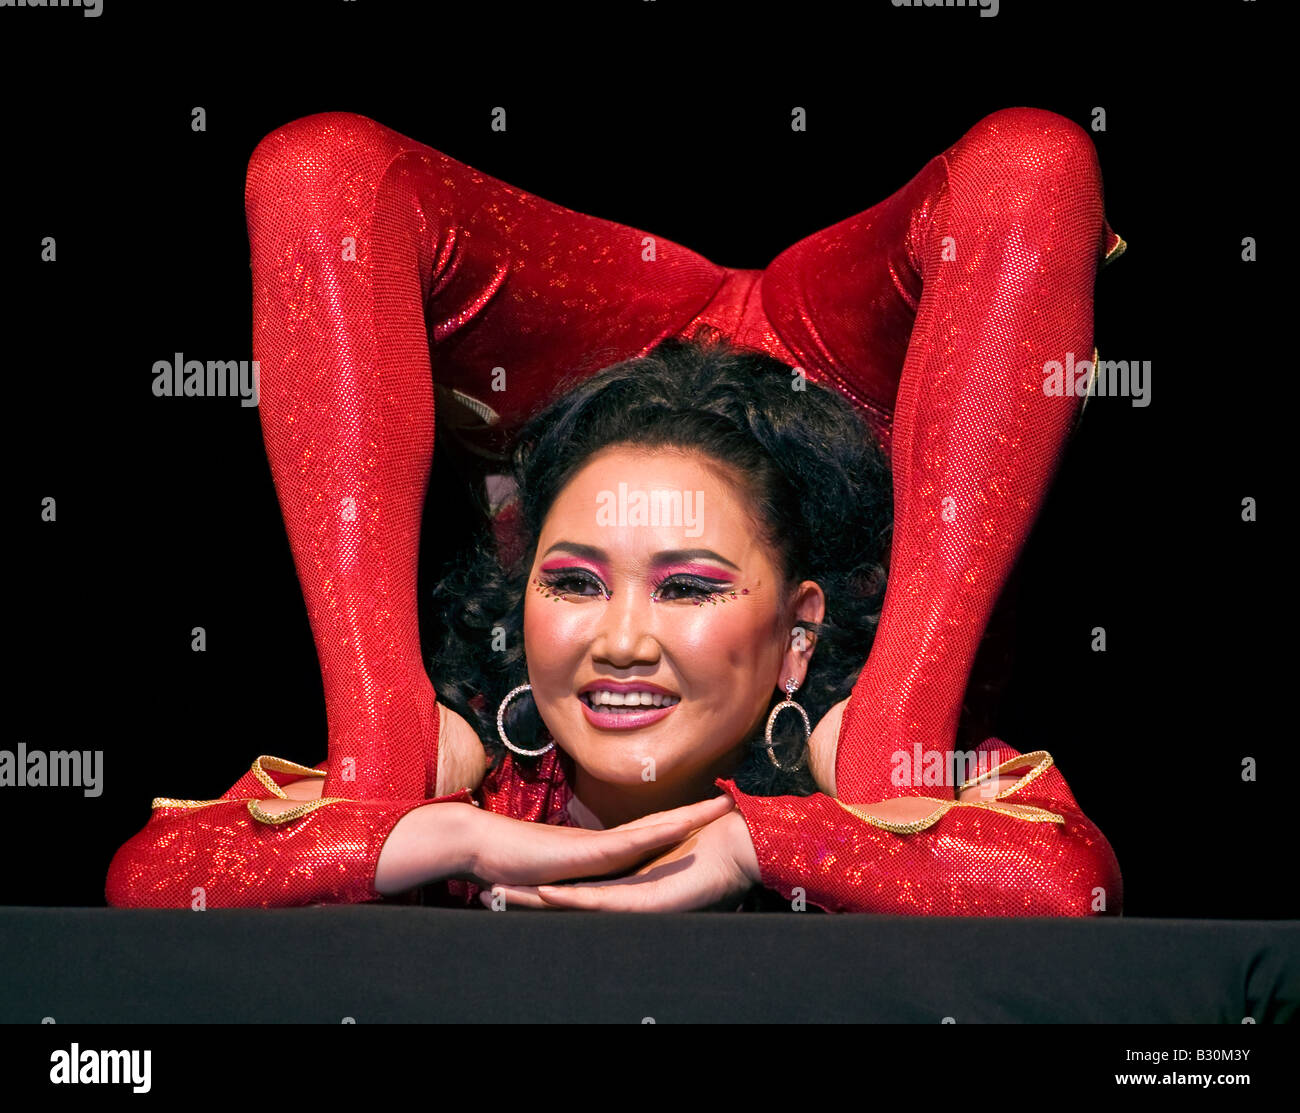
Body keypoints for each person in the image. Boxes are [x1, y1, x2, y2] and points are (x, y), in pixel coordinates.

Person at [105, 107, 1125, 914]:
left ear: (798, 636)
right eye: (574, 581)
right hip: (579, 372)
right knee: (314, 164)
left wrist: (786, 834)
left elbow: (1066, 885)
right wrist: (406, 819)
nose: (622, 641)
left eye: (686, 585)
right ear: (520, 592)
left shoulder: (899, 787)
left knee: (1031, 164)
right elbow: (147, 875)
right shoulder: (466, 788)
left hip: (844, 401)